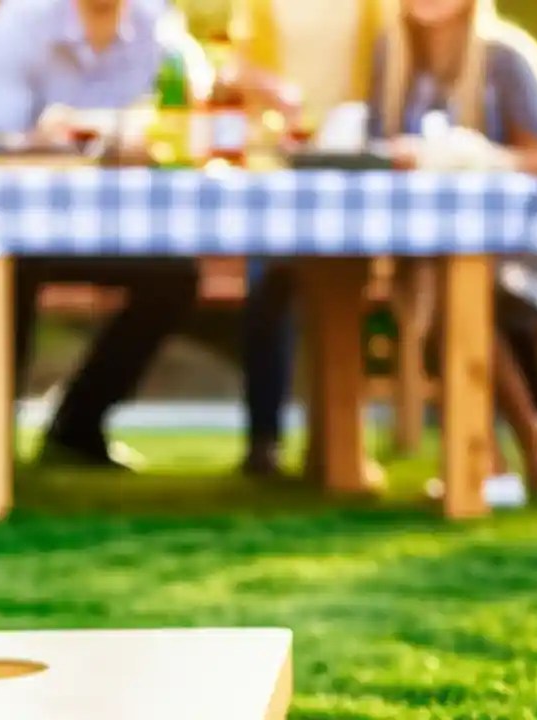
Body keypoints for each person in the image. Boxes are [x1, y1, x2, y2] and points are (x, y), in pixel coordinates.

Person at [367, 0, 537, 506]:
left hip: (514, 250)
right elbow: (378, 144)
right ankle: (518, 447)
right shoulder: (393, 54)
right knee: (434, 281)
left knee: (452, 288)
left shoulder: (504, 55)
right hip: (421, 241)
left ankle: (500, 455)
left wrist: (480, 157)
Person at [0, 0, 199, 468]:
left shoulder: (160, 26)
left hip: (122, 225)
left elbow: (188, 110)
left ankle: (77, 425)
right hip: (28, 225)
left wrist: (141, 134)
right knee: (8, 269)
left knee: (177, 276)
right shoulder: (20, 22)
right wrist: (50, 137)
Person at [228, 0, 390, 480]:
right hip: (281, 160)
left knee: (345, 289)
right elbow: (237, 67)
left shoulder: (377, 8)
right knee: (269, 289)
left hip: (354, 161)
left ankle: (342, 449)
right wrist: (255, 83)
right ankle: (265, 441)